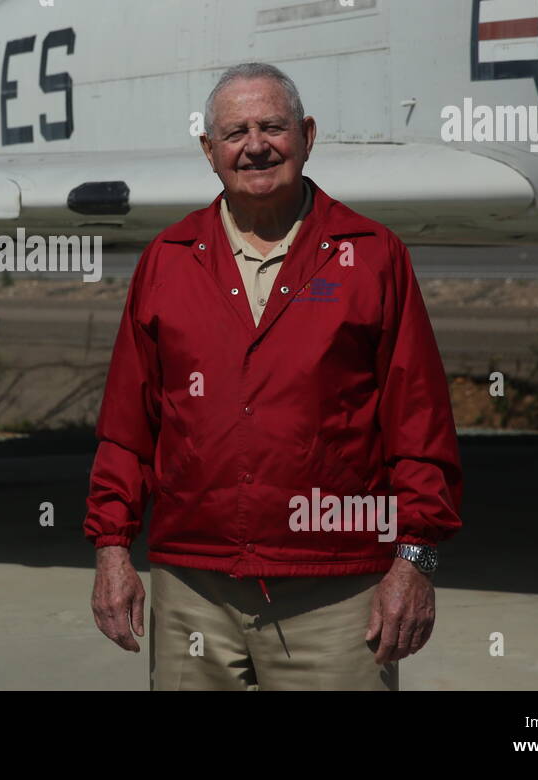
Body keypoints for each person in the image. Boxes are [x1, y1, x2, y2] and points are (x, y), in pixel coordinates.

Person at [84, 63, 463, 690]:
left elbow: (419, 425)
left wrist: (415, 560)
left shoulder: (370, 256)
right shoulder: (168, 261)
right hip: (192, 589)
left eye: (272, 126)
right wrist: (111, 548)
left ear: (307, 136)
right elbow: (128, 427)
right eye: (234, 133)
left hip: (336, 592)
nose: (255, 145)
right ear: (209, 151)